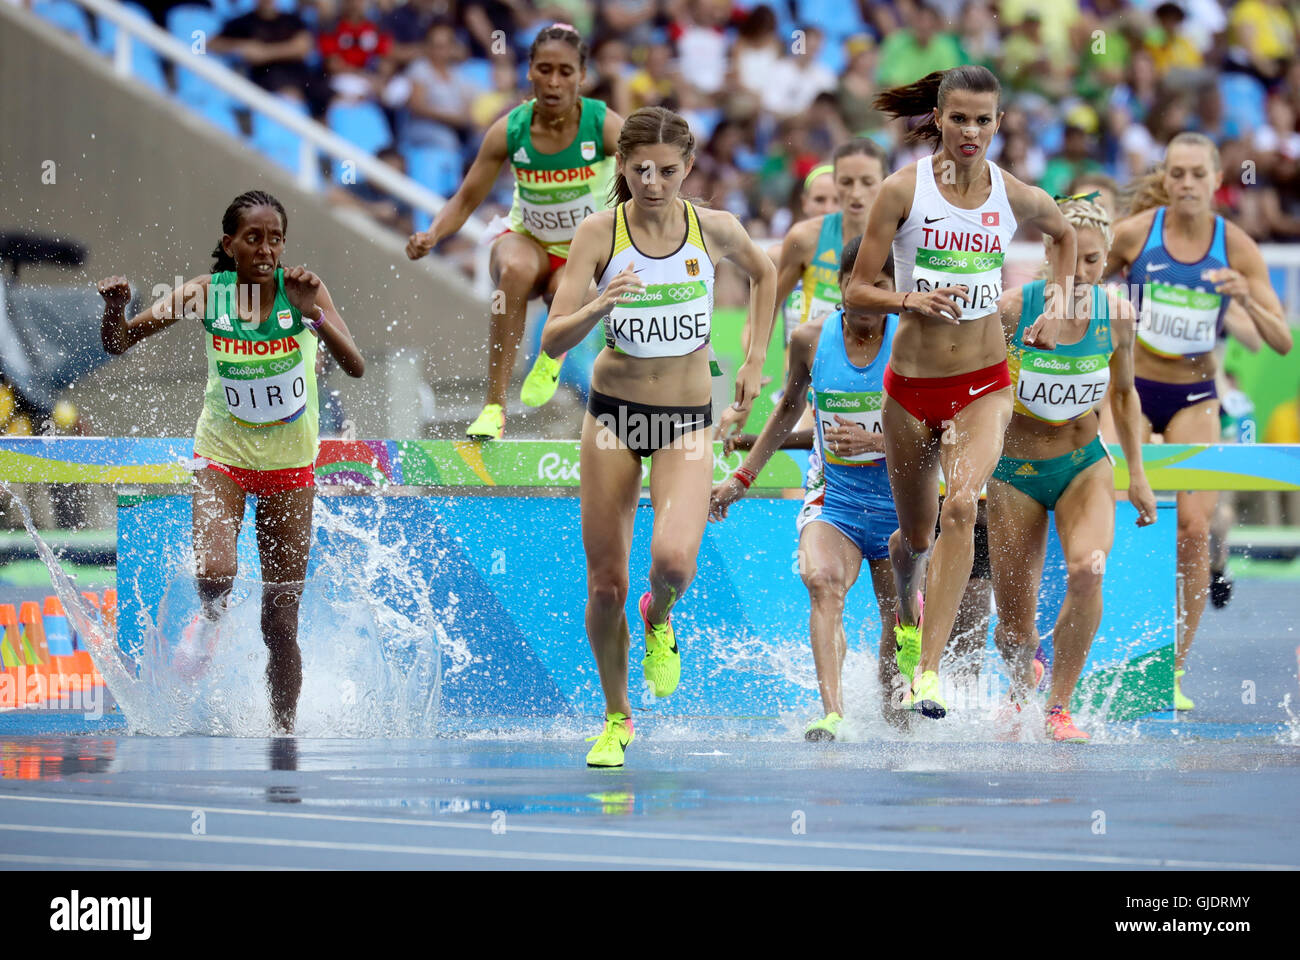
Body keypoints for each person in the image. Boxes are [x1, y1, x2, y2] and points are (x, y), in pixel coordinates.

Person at [540, 106, 776, 767]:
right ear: (621, 165)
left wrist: (754, 359)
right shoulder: (599, 233)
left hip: (685, 421)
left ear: (688, 168)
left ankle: (660, 617)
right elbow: (553, 340)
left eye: (667, 171)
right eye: (640, 169)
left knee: (673, 564)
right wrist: (599, 304)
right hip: (614, 417)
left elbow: (766, 273)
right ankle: (617, 717)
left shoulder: (714, 229)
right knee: (605, 584)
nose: (652, 182)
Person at [843, 65, 1076, 719]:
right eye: (959, 118)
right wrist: (907, 299)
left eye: (983, 120)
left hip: (983, 384)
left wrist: (1056, 307)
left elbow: (1064, 234)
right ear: (938, 120)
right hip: (910, 391)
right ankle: (909, 603)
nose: (971, 131)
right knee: (915, 539)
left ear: (998, 124)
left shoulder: (1014, 194)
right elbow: (855, 291)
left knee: (963, 507)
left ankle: (927, 673)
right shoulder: (902, 190)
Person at [97, 191, 365, 733]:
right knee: (216, 570)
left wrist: (314, 316)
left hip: (290, 468)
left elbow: (355, 365)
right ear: (230, 244)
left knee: (280, 623)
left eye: (275, 239)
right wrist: (114, 307)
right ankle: (211, 617)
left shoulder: (304, 291)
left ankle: (283, 734)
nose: (266, 250)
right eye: (253, 238)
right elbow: (118, 342)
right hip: (222, 457)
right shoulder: (205, 294)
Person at [1106, 131, 1293, 711]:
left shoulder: (1235, 247)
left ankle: (1174, 670)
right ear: (1166, 178)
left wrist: (1246, 297)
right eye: (1177, 173)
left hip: (1194, 396)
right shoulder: (1136, 235)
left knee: (1193, 530)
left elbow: (1281, 341)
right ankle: (1106, 653)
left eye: (1197, 174)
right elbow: (1075, 280)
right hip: (1132, 391)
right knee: (1119, 515)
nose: (1186, 183)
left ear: (1216, 180)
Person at [711, 238, 909, 738]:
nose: (868, 297)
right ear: (840, 285)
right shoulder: (809, 340)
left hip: (902, 502)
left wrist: (876, 441)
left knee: (897, 621)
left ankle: (898, 725)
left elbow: (937, 431)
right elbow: (788, 409)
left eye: (881, 286)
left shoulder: (913, 341)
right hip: (836, 499)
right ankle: (833, 715)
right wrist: (743, 477)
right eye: (858, 285)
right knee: (821, 582)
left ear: (894, 290)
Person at [989, 196, 1158, 743]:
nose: (1081, 272)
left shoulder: (1118, 315)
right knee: (1014, 627)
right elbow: (977, 389)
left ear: (1107, 258)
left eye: (1092, 260)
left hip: (1084, 465)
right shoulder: (1012, 310)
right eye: (1071, 258)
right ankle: (1022, 685)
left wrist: (1138, 474)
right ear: (1049, 252)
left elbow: (1125, 395)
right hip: (1014, 471)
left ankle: (1058, 707)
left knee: (1089, 570)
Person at [405, 24, 623, 439]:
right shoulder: (510, 129)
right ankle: (494, 407)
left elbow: (648, 167)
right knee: (516, 269)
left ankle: (551, 355)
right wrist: (433, 234)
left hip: (579, 256)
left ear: (581, 75)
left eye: (565, 71)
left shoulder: (603, 125)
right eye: (545, 69)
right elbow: (465, 199)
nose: (553, 82)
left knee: (574, 289)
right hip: (528, 241)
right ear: (530, 71)